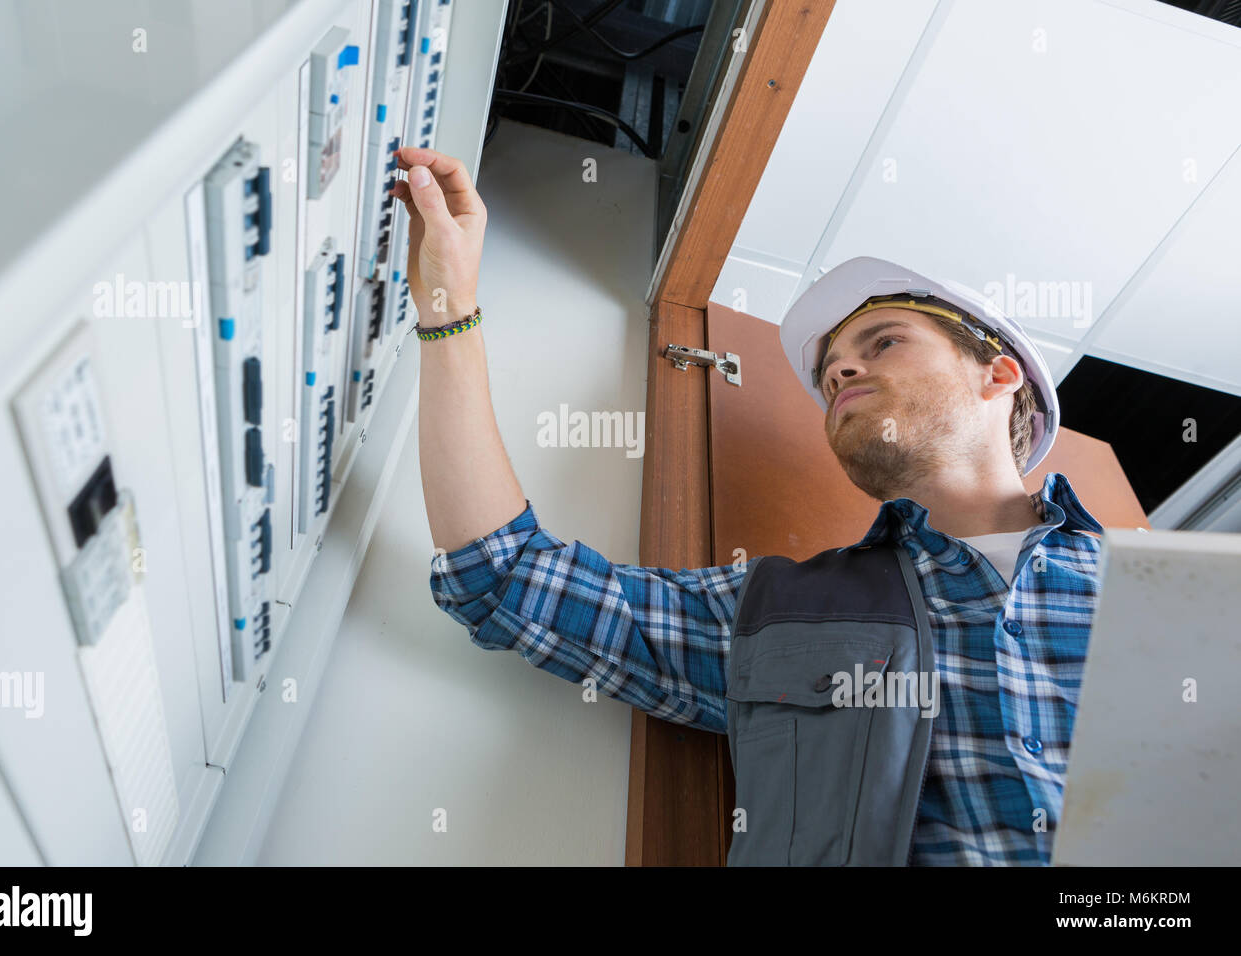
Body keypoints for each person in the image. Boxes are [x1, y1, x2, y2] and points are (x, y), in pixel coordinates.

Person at [391, 145, 1104, 866]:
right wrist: (447, 306)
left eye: (883, 342)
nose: (843, 370)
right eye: (830, 378)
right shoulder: (781, 612)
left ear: (1000, 372)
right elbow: (502, 573)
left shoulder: (1164, 592)